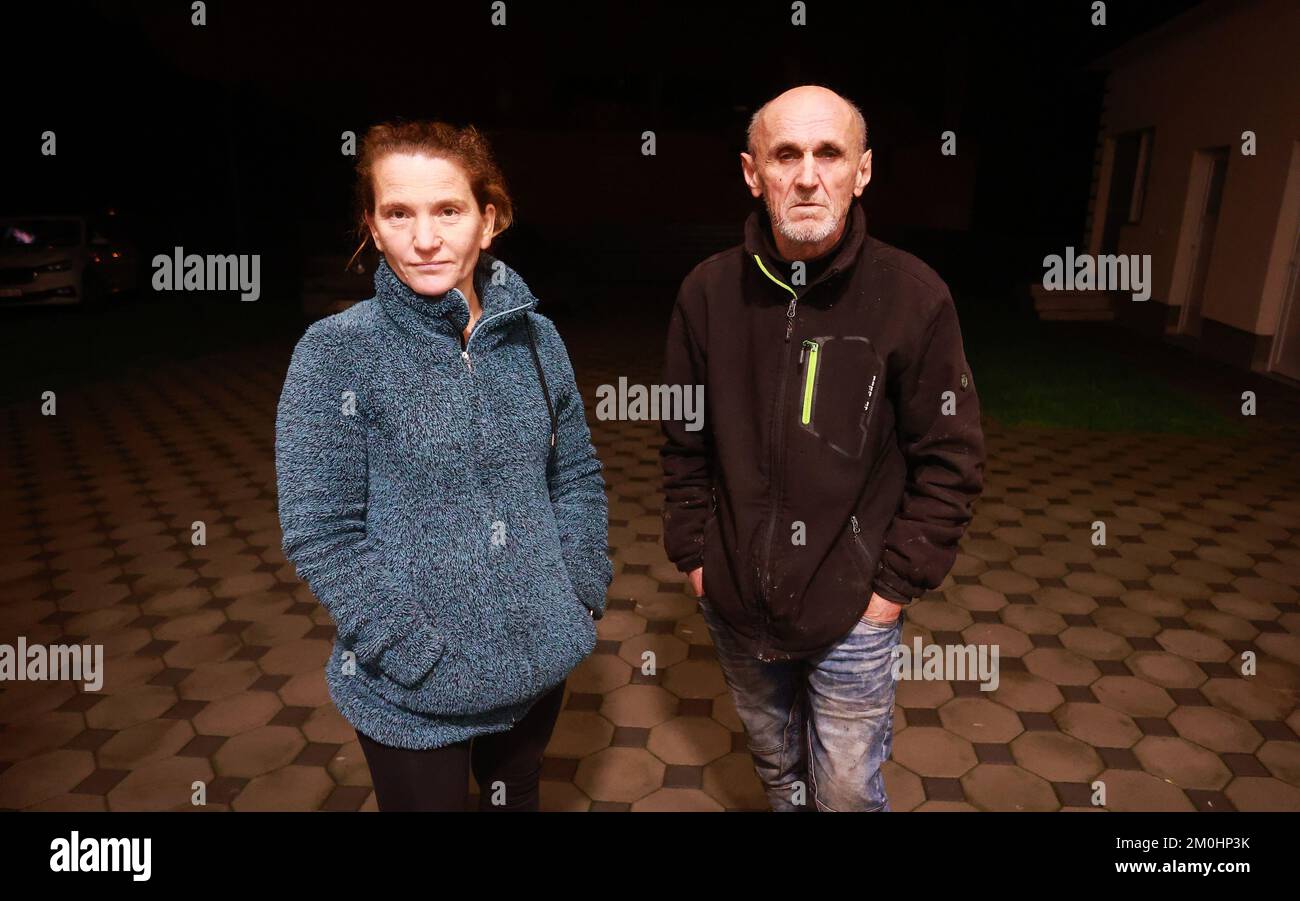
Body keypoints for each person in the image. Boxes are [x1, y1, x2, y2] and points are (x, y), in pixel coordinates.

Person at [660, 85, 986, 811]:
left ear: (862, 171)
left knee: (842, 791)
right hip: (735, 601)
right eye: (786, 154)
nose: (808, 175)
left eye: (829, 153)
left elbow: (952, 461)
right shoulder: (707, 293)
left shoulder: (915, 296)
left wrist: (890, 590)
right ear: (753, 173)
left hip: (855, 610)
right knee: (779, 773)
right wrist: (697, 559)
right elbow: (682, 440)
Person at [275, 121, 611, 811]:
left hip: (536, 670)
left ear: (490, 220)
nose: (424, 238)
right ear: (372, 225)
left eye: (448, 210)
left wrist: (576, 590)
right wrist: (409, 651)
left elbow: (574, 475)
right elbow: (321, 530)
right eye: (399, 213)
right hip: (413, 694)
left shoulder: (538, 339)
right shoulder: (336, 353)